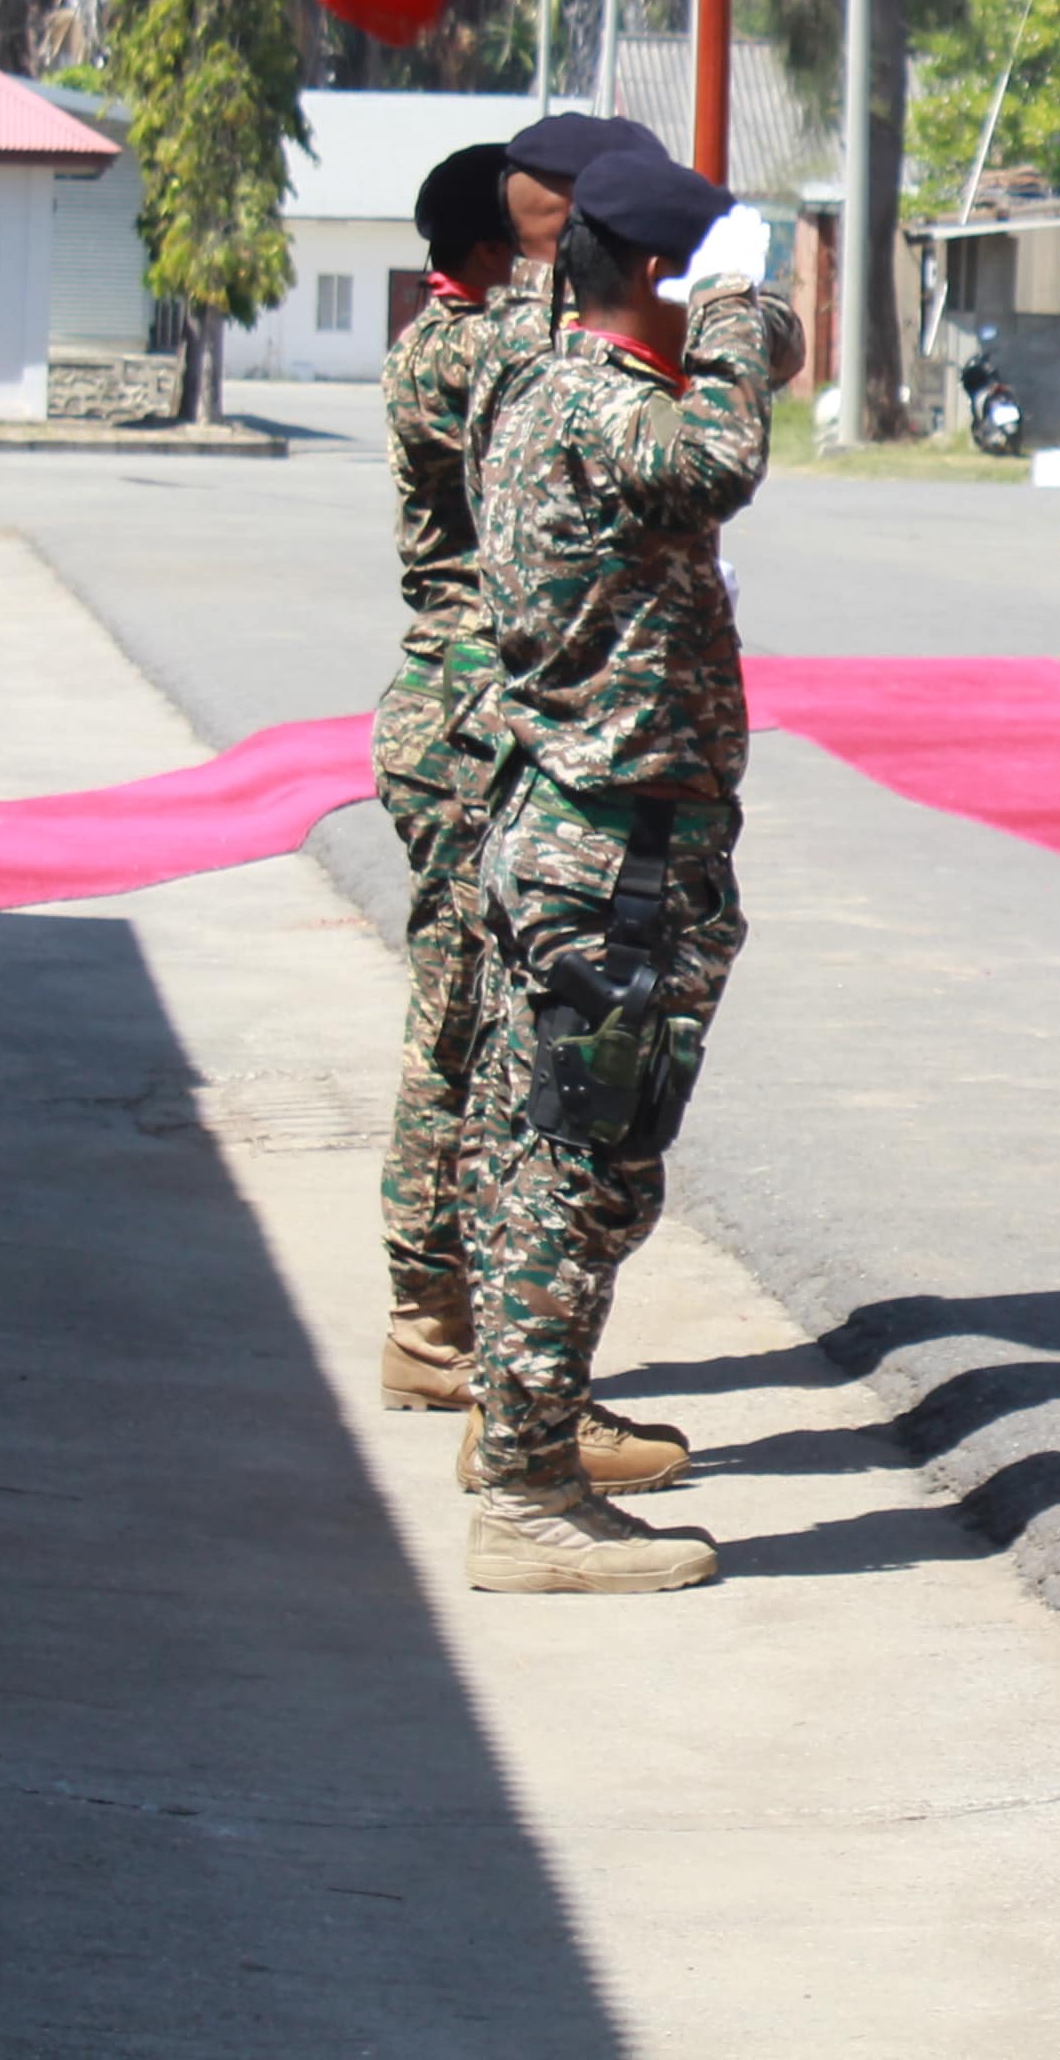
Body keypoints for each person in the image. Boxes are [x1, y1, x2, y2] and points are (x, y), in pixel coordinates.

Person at [460, 141, 796, 1590]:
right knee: (582, 1162)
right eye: (697, 282)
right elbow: (718, 462)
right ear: (655, 279)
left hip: (571, 820)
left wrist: (717, 323)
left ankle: (521, 1440)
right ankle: (530, 1496)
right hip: (614, 839)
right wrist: (732, 324)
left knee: (546, 1145)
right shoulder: (612, 407)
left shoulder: (534, 388)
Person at [373, 138, 698, 1467]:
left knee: (490, 1026)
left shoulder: (489, 335)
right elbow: (621, 394)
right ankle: (438, 1322)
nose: (572, 256)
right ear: (498, 249)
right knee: (470, 1031)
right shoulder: (468, 349)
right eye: (551, 233)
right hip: (466, 719)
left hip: (478, 710)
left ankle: (458, 1322)